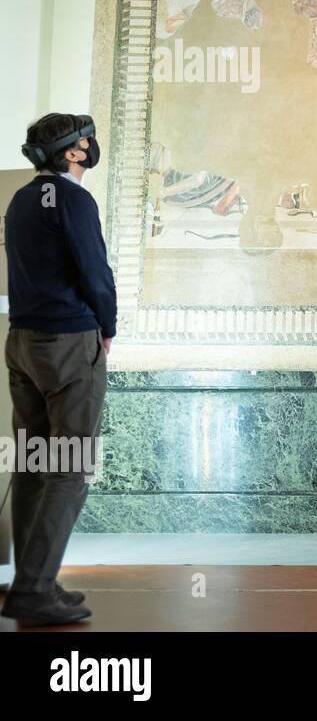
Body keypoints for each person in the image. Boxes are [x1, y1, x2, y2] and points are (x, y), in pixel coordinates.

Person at [1, 113, 116, 626]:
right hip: (70, 342)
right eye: (85, 141)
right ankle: (34, 589)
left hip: (22, 341)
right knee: (69, 467)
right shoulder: (74, 198)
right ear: (72, 152)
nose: (91, 147)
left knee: (31, 461)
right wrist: (107, 325)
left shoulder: (21, 199)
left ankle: (31, 579)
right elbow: (94, 269)